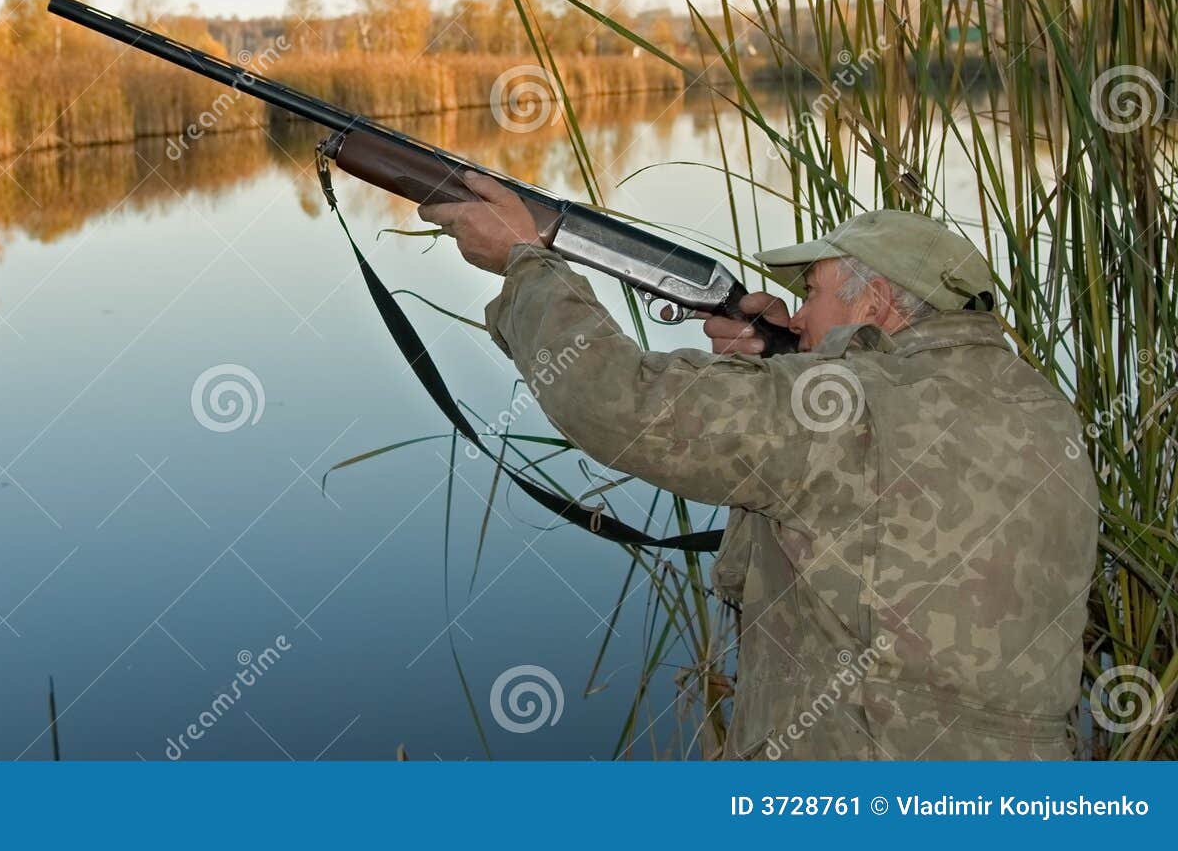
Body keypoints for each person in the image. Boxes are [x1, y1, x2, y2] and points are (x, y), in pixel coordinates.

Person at [419, 173, 1097, 759]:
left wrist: (525, 263)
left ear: (877, 303)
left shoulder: (842, 410)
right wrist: (789, 365)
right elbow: (878, 503)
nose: (797, 313)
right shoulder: (1037, 405)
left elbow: (615, 399)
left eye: (813, 290)